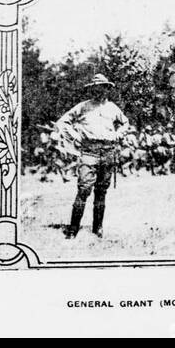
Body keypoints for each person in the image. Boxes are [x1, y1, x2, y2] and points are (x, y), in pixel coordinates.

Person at [55, 74, 129, 239]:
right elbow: (63, 122)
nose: (99, 90)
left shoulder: (112, 108)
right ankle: (73, 229)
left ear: (107, 89)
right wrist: (75, 136)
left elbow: (126, 123)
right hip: (89, 151)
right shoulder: (83, 106)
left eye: (103, 87)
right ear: (92, 89)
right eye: (96, 88)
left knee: (101, 191)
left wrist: (118, 134)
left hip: (108, 151)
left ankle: (98, 228)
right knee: (83, 189)